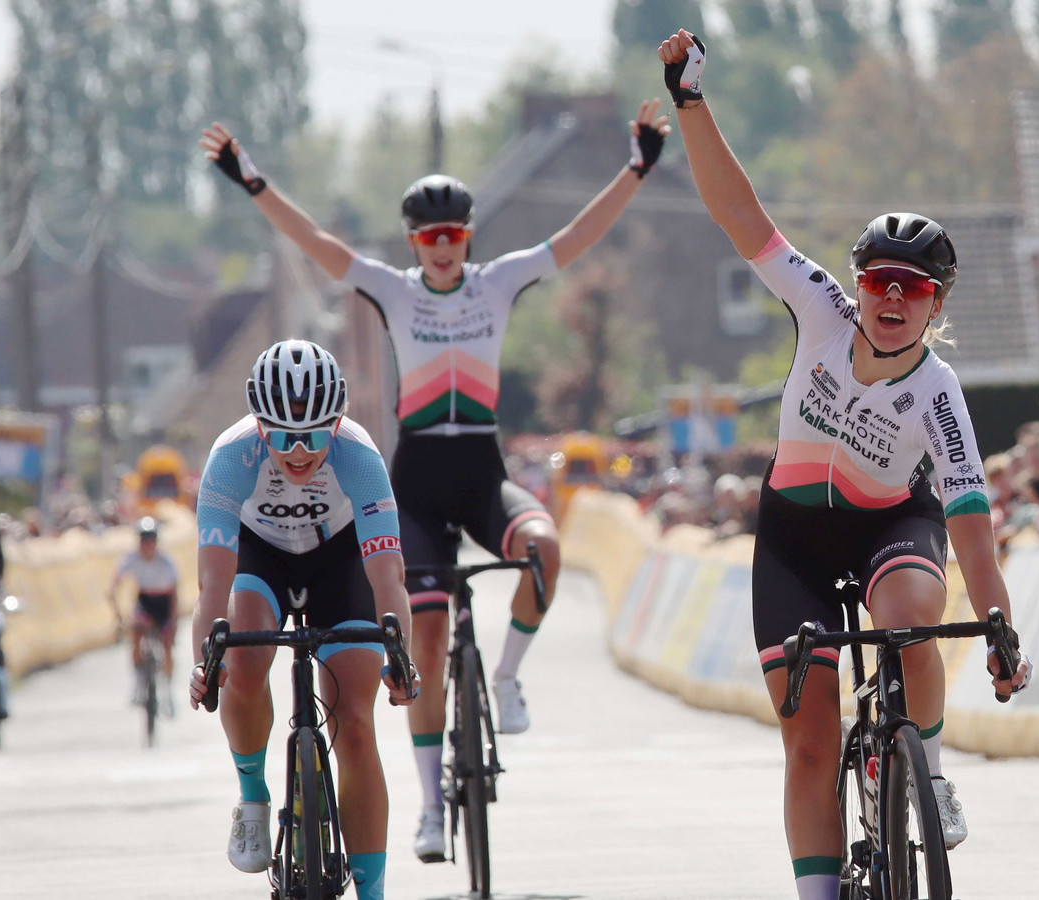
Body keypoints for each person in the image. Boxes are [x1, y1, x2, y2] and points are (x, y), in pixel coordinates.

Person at [199, 98, 671, 862]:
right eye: (429, 237)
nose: (443, 248)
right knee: (424, 628)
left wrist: (637, 167)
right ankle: (426, 808)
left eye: (454, 235)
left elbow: (577, 239)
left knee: (544, 548)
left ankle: (510, 680)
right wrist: (249, 179)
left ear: (469, 236)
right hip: (413, 478)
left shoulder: (498, 282)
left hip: (482, 468)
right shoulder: (395, 290)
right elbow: (317, 243)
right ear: (415, 242)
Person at [657, 29, 1033, 900]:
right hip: (791, 539)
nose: (895, 299)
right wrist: (691, 103)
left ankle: (928, 774)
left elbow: (972, 521)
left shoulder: (940, 395)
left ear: (938, 303)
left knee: (910, 620)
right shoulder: (820, 311)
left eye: (917, 288)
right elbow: (740, 214)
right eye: (882, 281)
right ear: (857, 282)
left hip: (887, 529)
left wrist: (1001, 624)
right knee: (812, 743)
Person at [187, 340, 417, 900]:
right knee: (241, 658)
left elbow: (388, 577)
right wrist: (204, 662)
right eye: (282, 435)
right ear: (258, 426)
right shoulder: (230, 457)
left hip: (339, 562)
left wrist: (401, 659)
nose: (297, 451)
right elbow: (213, 585)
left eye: (313, 435)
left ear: (336, 424)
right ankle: (252, 796)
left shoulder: (359, 457)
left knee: (356, 724)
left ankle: (373, 893)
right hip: (260, 556)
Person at [107, 516, 180, 715]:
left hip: (163, 603)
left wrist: (173, 621)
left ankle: (169, 691)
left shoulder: (166, 561)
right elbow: (113, 586)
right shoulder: (131, 558)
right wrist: (119, 615)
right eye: (143, 539)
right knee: (136, 634)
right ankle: (139, 682)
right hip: (145, 600)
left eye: (151, 539)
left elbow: (175, 593)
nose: (147, 544)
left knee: (166, 645)